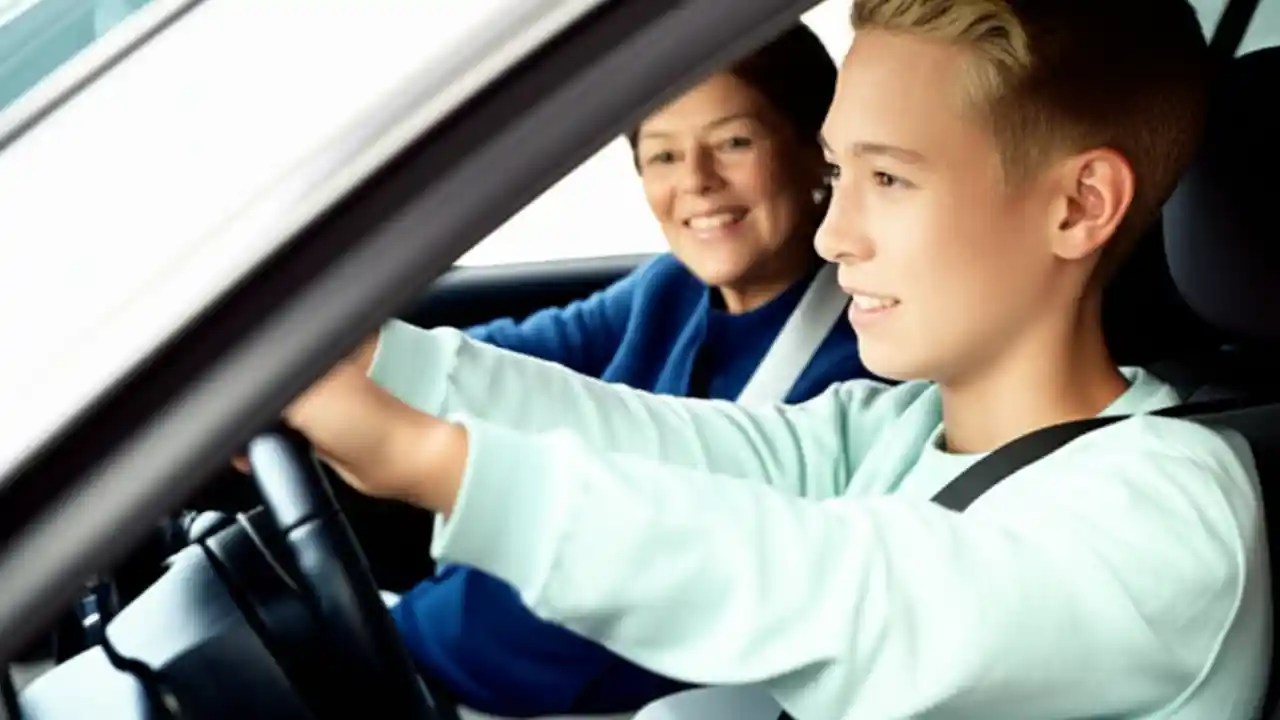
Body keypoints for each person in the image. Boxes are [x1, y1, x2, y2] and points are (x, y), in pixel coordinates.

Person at [278, 0, 1268, 717]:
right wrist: (365, 368)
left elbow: (840, 588)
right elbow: (663, 442)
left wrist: (437, 465)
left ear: (1076, 205)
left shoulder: (1165, 513)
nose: (833, 236)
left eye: (887, 177)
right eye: (838, 173)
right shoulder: (889, 429)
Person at [387, 23, 877, 719]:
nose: (697, 183)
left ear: (812, 151)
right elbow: (509, 353)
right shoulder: (670, 289)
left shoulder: (861, 365)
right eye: (664, 156)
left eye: (734, 143)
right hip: (423, 652)